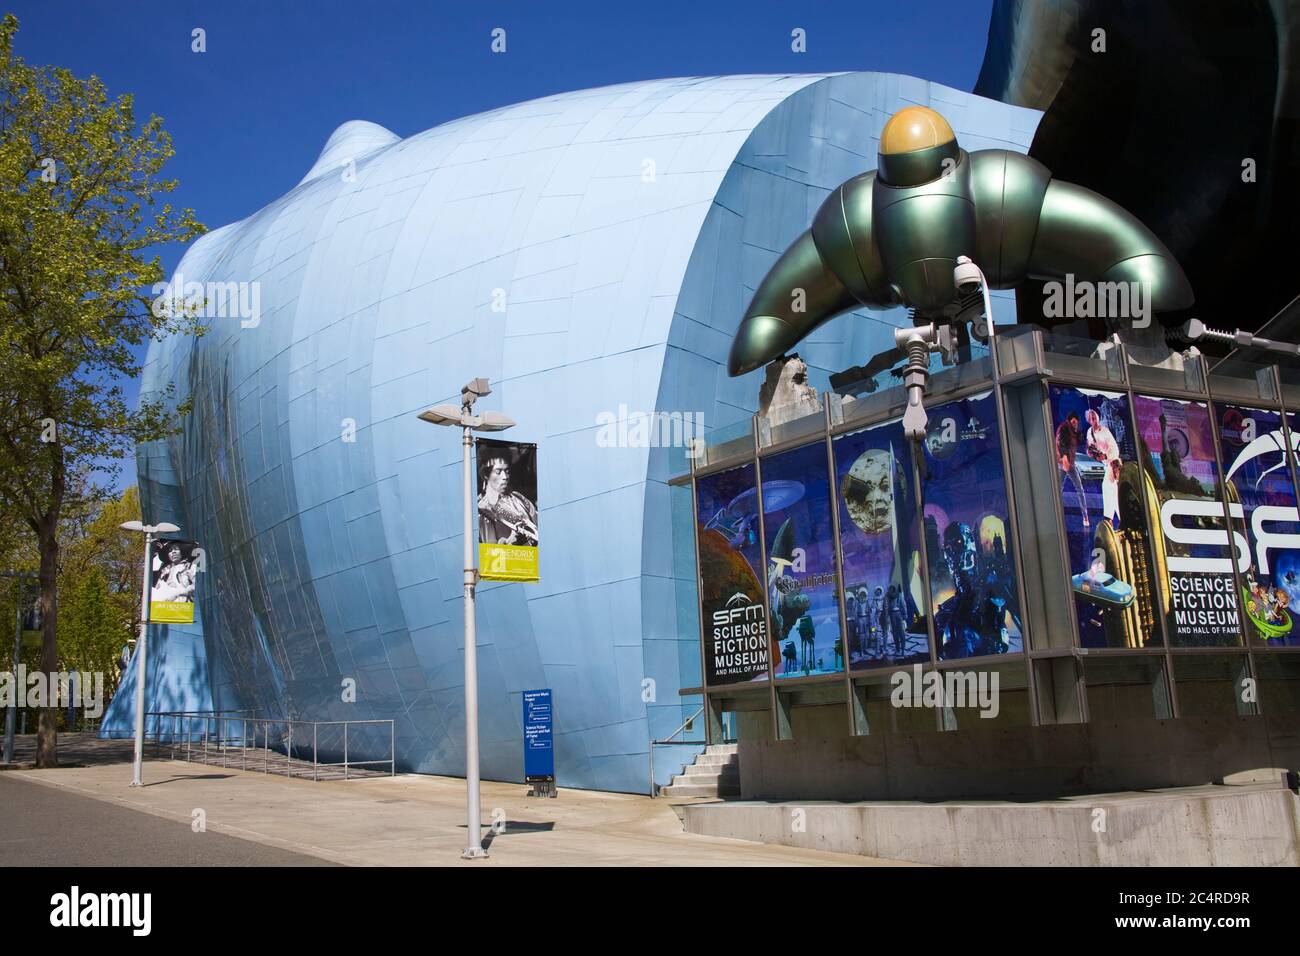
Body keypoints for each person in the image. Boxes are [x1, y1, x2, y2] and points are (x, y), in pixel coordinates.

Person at [477, 455, 538, 546]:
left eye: (507, 471)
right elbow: (490, 554)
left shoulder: (518, 497)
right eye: (498, 472)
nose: (505, 476)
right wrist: (511, 541)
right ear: (486, 475)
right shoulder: (483, 508)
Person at [1085, 408, 1122, 528]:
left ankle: (1108, 519)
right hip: (1106, 465)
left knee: (1107, 487)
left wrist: (1105, 455)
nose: (1093, 420)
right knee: (1114, 492)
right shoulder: (1089, 432)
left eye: (1094, 417)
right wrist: (1092, 453)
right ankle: (1121, 518)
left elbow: (1115, 449)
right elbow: (1090, 447)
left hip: (1113, 462)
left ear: (1097, 417)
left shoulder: (1105, 431)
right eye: (1090, 418)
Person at [1055, 412, 1089, 528]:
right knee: (1060, 488)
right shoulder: (1064, 428)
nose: (1075, 424)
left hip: (1071, 463)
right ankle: (1056, 515)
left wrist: (1080, 435)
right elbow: (1061, 442)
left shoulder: (1074, 431)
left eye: (1077, 422)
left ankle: (1085, 516)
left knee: (1079, 488)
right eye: (1074, 422)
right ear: (1070, 421)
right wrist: (1064, 457)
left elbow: (1078, 442)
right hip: (1063, 462)